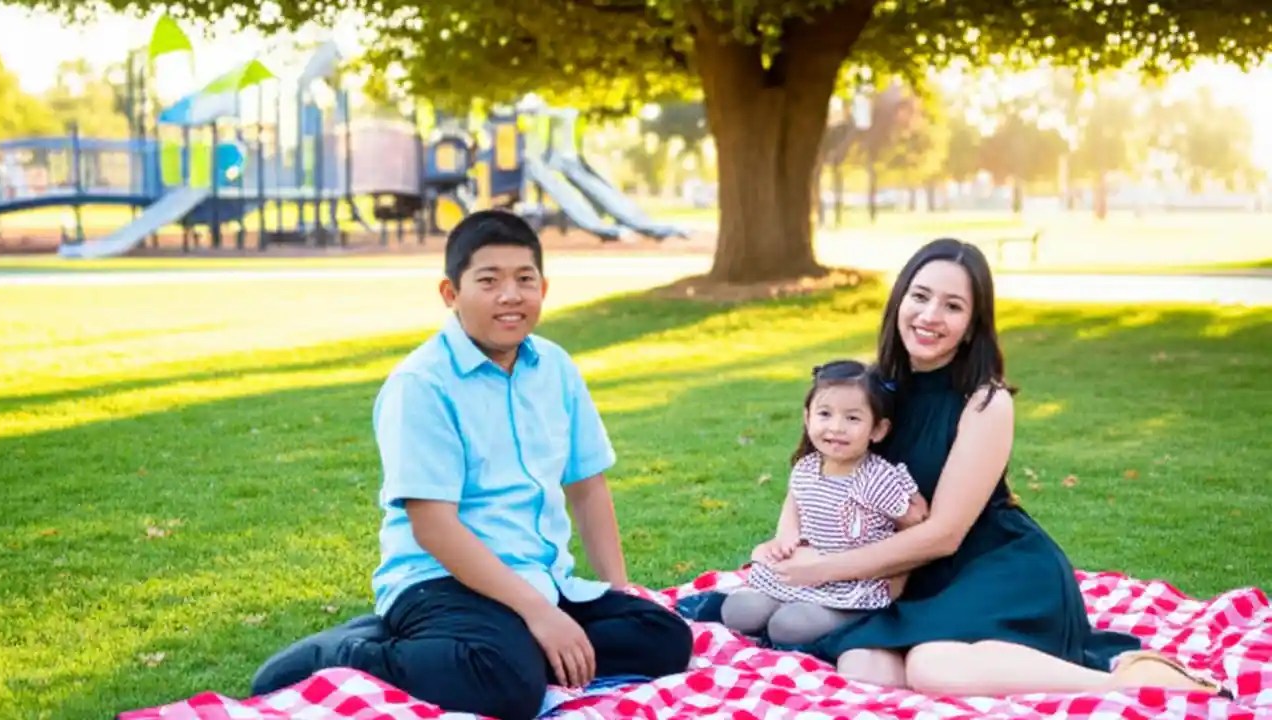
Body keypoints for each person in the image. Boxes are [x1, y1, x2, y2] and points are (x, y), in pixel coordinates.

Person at [250, 210, 693, 720]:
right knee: (507, 688)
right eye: (489, 280)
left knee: (662, 637)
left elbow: (587, 486)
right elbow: (434, 527)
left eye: (524, 280)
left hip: (540, 578)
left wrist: (619, 590)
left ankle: (497, 650)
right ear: (450, 293)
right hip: (438, 582)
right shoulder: (421, 384)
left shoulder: (555, 367)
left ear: (543, 288)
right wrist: (538, 614)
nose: (510, 295)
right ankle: (351, 652)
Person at [764, 238, 1230, 698]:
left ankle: (1129, 683)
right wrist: (792, 546)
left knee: (932, 668)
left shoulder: (986, 401)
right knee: (866, 667)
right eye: (920, 296)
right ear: (900, 300)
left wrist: (824, 569)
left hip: (992, 562)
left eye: (952, 306)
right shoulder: (870, 392)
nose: (929, 317)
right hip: (911, 574)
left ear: (971, 326)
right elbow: (817, 472)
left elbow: (945, 533)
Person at [720, 360, 929, 646]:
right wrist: (786, 537)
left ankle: (841, 619)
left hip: (854, 583)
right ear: (808, 419)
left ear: (877, 430)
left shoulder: (876, 478)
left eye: (852, 419)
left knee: (788, 627)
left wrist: (896, 582)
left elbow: (916, 522)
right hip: (808, 568)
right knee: (738, 611)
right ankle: (784, 607)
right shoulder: (807, 468)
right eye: (825, 414)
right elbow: (795, 501)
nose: (836, 427)